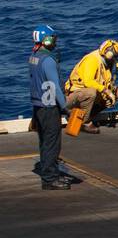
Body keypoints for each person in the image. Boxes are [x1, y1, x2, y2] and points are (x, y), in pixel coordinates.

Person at [29, 25, 70, 190]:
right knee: (52, 143)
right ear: (46, 40)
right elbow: (56, 88)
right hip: (49, 107)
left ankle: (49, 174)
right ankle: (50, 179)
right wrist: (66, 108)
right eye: (53, 38)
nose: (55, 41)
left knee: (44, 142)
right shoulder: (48, 60)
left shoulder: (34, 56)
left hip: (38, 106)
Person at [64, 39, 118, 134]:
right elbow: (88, 82)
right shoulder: (92, 60)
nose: (115, 59)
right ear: (108, 54)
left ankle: (81, 115)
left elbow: (105, 82)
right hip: (74, 96)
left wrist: (107, 97)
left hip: (87, 96)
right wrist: (106, 92)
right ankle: (82, 122)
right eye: (114, 56)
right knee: (91, 93)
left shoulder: (106, 63)